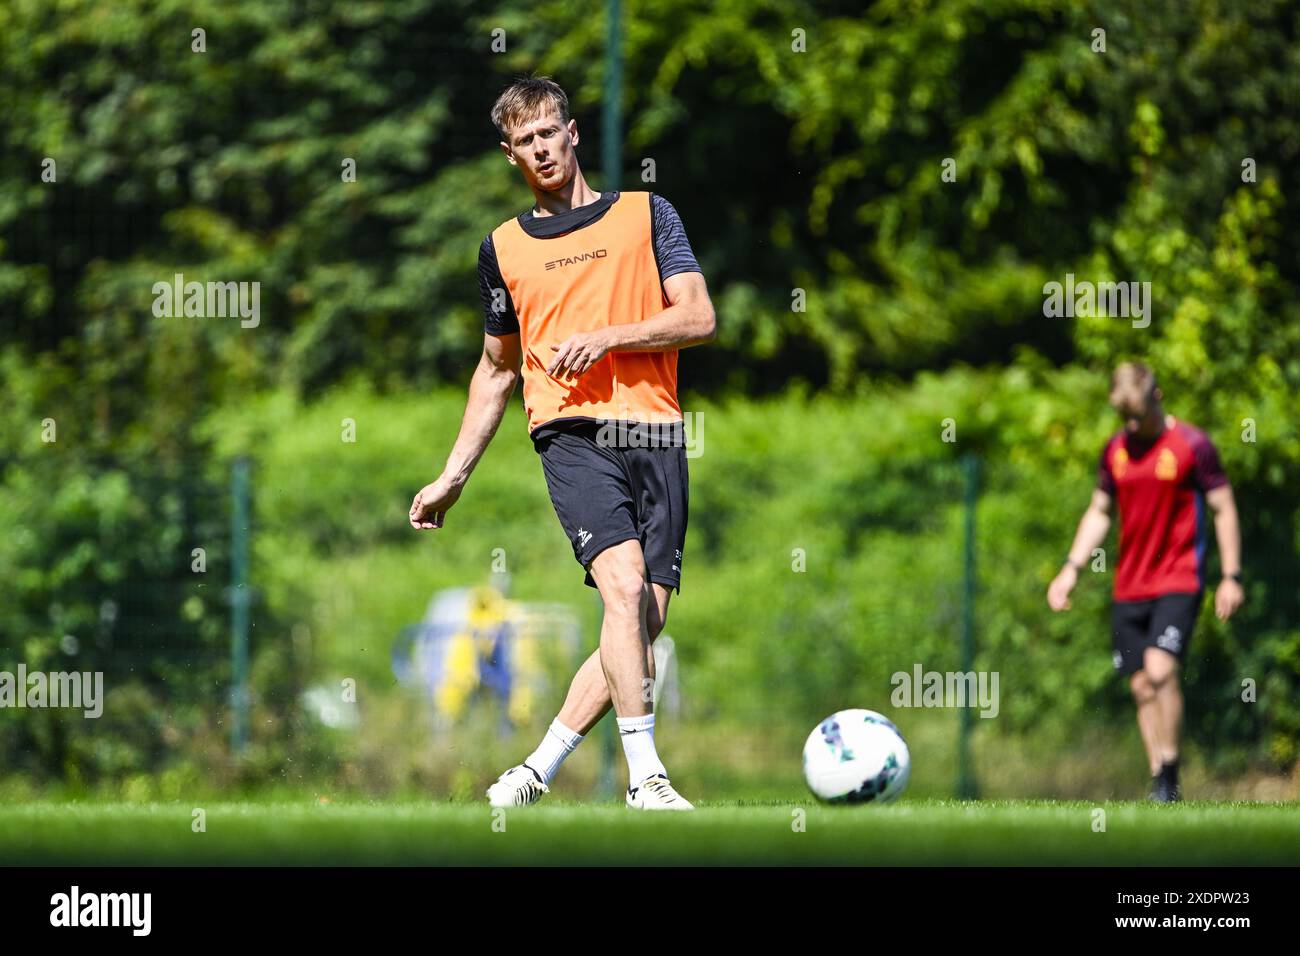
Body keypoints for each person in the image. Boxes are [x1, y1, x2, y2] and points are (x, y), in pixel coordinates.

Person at [408, 75, 715, 810]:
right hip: (570, 433)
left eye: (550, 134)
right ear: (510, 155)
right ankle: (646, 778)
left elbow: (698, 317)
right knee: (622, 584)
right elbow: (496, 369)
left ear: (572, 134)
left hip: (655, 427)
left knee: (643, 618)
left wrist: (612, 336)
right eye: (524, 143)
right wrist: (453, 475)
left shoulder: (647, 214)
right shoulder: (503, 249)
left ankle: (533, 771)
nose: (540, 150)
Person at [1046, 362, 1244, 801]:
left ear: (1157, 396)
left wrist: (1231, 575)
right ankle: (1160, 779)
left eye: (1138, 415)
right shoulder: (1115, 450)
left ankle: (1170, 771)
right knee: (1138, 684)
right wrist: (1071, 569)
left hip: (1178, 577)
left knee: (1160, 670)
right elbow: (1100, 511)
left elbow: (1224, 508)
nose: (1132, 425)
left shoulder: (1192, 445)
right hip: (1129, 585)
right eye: (1125, 417)